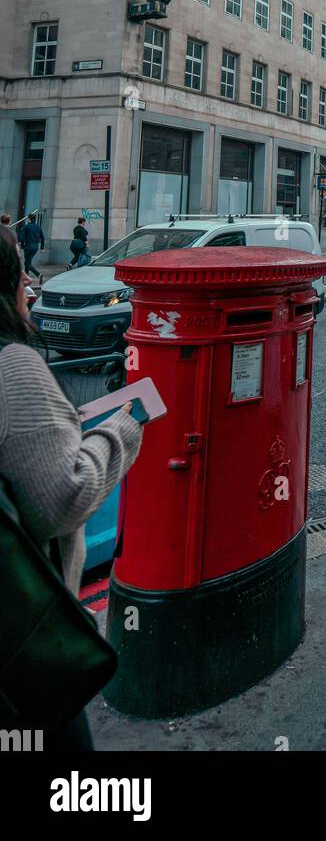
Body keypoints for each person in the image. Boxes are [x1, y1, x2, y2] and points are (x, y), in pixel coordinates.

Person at [0, 236, 143, 749]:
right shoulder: (13, 365)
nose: (31, 287)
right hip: (23, 637)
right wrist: (124, 428)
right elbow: (64, 497)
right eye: (23, 275)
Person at [18, 212, 44, 277]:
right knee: (27, 262)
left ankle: (38, 274)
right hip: (35, 248)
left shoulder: (26, 227)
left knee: (27, 264)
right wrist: (42, 248)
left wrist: (22, 246)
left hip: (28, 247)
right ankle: (26, 277)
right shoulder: (38, 227)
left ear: (29, 219)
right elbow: (42, 238)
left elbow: (22, 238)